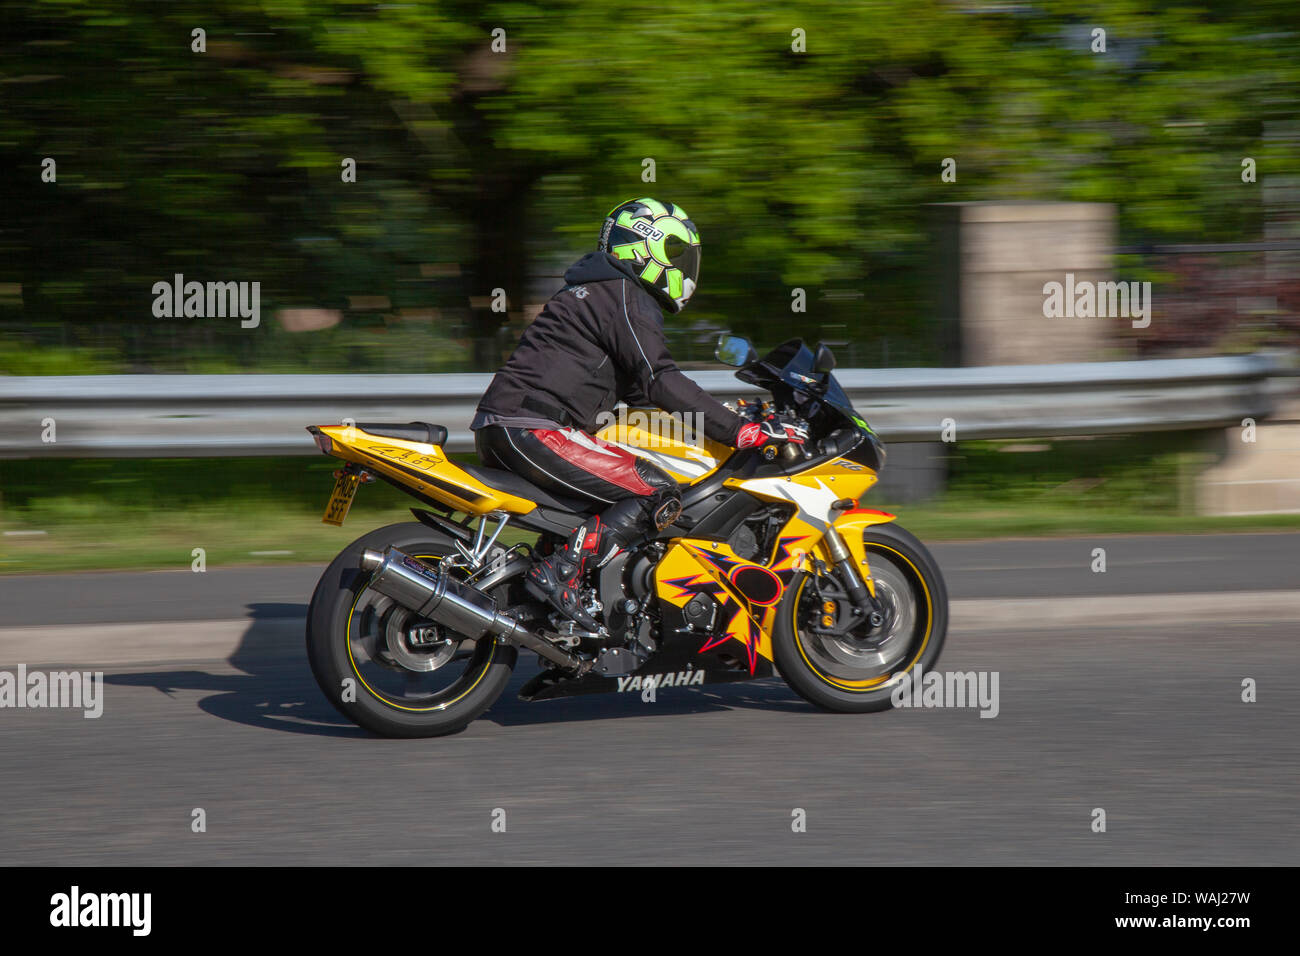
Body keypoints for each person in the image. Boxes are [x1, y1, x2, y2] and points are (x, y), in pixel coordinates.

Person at [471, 197, 800, 631]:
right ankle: (561, 573)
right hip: (534, 429)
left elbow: (642, 396)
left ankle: (567, 597)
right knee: (656, 490)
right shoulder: (624, 294)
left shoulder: (601, 292)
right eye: (675, 253)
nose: (683, 267)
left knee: (610, 494)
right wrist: (741, 432)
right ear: (645, 247)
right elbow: (659, 379)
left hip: (516, 427)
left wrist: (723, 418)